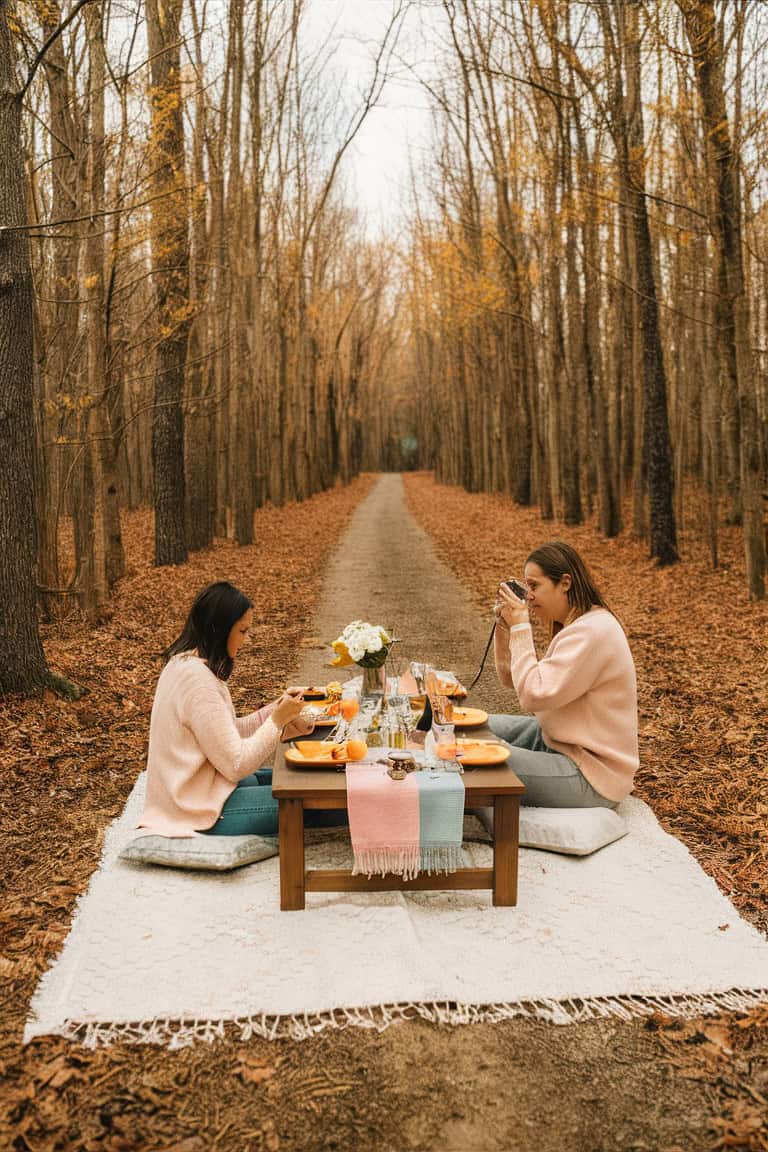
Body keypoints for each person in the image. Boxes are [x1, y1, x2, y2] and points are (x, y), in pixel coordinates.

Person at [137, 581, 311, 838]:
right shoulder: (197, 682)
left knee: (300, 777)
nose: (245, 639)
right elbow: (236, 764)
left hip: (206, 789)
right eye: (242, 631)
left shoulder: (187, 664)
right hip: (195, 810)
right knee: (314, 800)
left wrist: (276, 710)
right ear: (219, 629)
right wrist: (276, 722)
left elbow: (225, 734)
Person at [490, 541, 638, 809]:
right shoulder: (579, 625)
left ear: (565, 583)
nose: (529, 596)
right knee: (468, 728)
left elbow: (534, 695)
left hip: (591, 774)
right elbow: (511, 678)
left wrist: (522, 627)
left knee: (473, 755)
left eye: (534, 586)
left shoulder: (593, 632)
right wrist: (503, 627)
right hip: (559, 741)